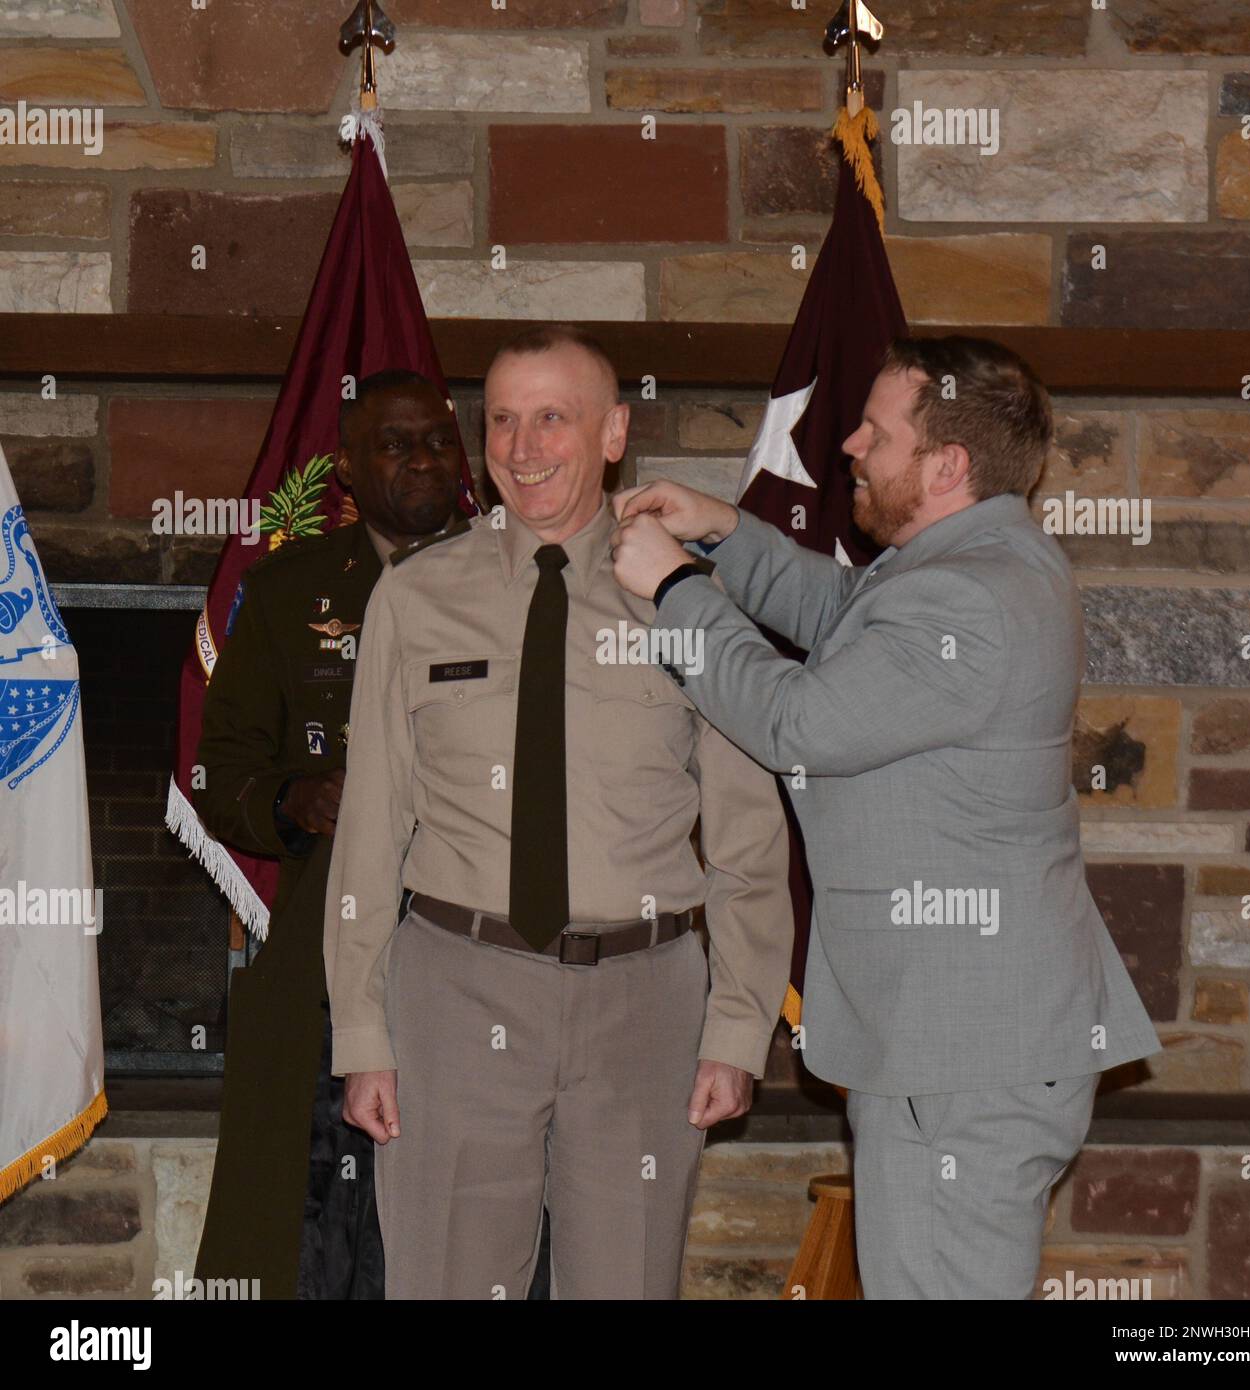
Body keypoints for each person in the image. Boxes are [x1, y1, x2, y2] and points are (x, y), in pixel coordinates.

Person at [610, 334, 1161, 1300]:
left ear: (947, 465)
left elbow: (796, 718)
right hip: (966, 1045)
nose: (849, 446)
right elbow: (847, 622)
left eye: (877, 431)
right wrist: (728, 534)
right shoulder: (982, 559)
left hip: (956, 1058)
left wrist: (677, 589)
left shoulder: (967, 595)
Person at [324, 323, 794, 1300]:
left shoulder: (689, 601)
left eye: (553, 418)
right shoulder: (414, 599)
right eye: (501, 419)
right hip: (454, 994)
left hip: (644, 1002)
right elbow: (371, 831)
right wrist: (362, 1034)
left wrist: (738, 1025)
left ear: (614, 432)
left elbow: (749, 835)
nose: (522, 446)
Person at [192, 369, 464, 1299]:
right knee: (305, 1226)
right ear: (345, 470)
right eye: (395, 443)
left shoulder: (516, 579)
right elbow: (217, 779)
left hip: (483, 947)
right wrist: (298, 798)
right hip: (323, 938)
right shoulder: (288, 590)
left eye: (439, 439)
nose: (424, 459)